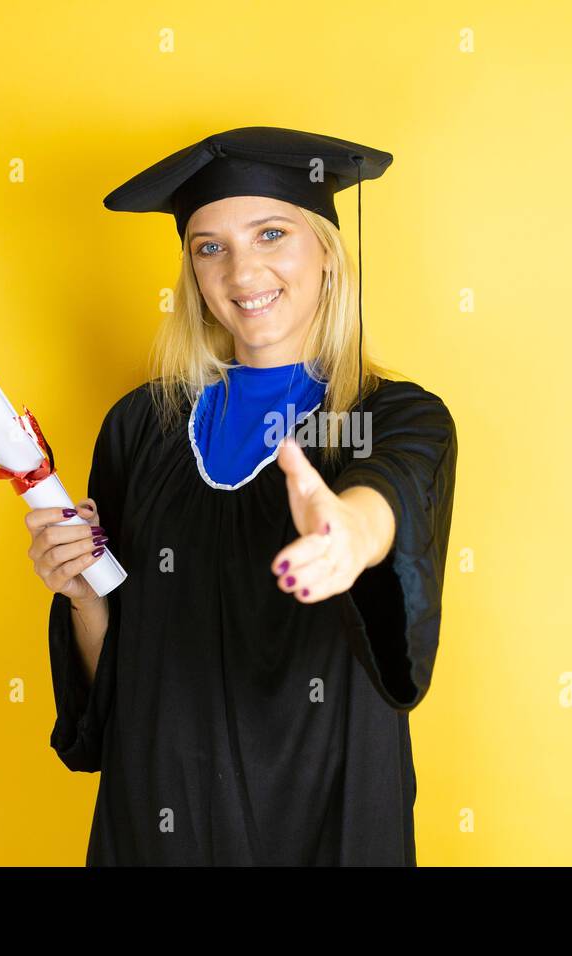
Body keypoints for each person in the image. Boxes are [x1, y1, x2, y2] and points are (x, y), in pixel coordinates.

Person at [25, 127, 458, 865]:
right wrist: (81, 594)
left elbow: (386, 496)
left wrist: (349, 534)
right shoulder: (143, 429)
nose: (241, 269)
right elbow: (115, 693)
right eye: (209, 245)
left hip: (330, 813)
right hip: (164, 814)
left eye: (271, 233)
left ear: (326, 249)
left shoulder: (392, 417)